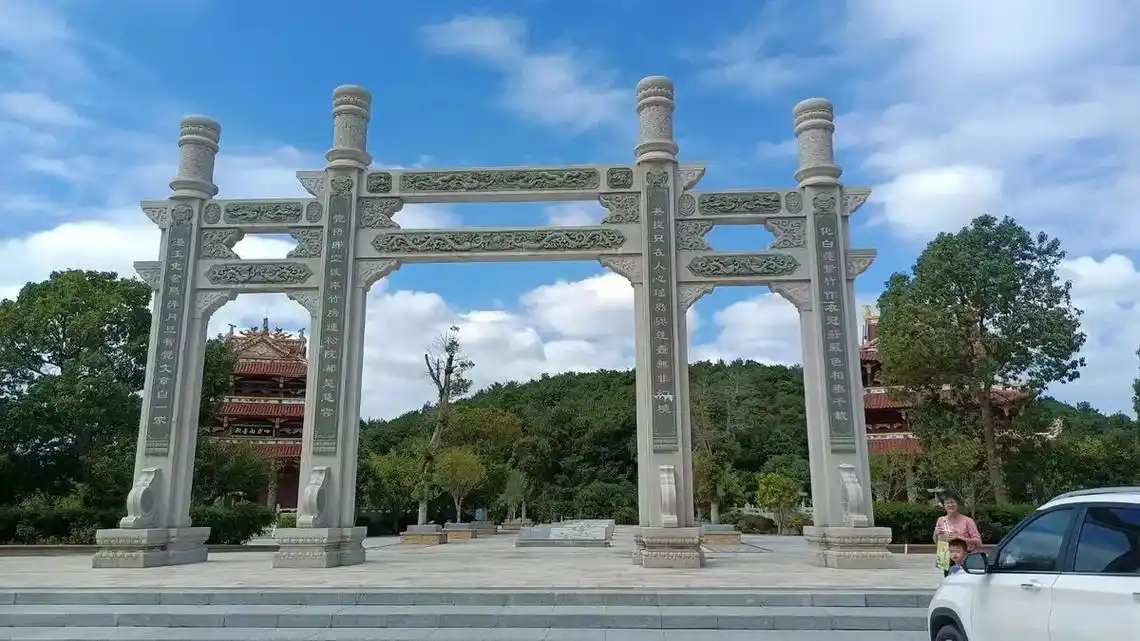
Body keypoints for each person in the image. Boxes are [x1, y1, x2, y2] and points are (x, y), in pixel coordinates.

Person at [933, 491, 982, 576]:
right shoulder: (941, 520)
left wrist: (959, 537)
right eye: (947, 503)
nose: (950, 505)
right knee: (949, 584)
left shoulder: (968, 521)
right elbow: (937, 542)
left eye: (952, 502)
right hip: (947, 558)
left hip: (966, 559)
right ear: (944, 505)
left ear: (957, 504)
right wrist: (936, 534)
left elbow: (978, 542)